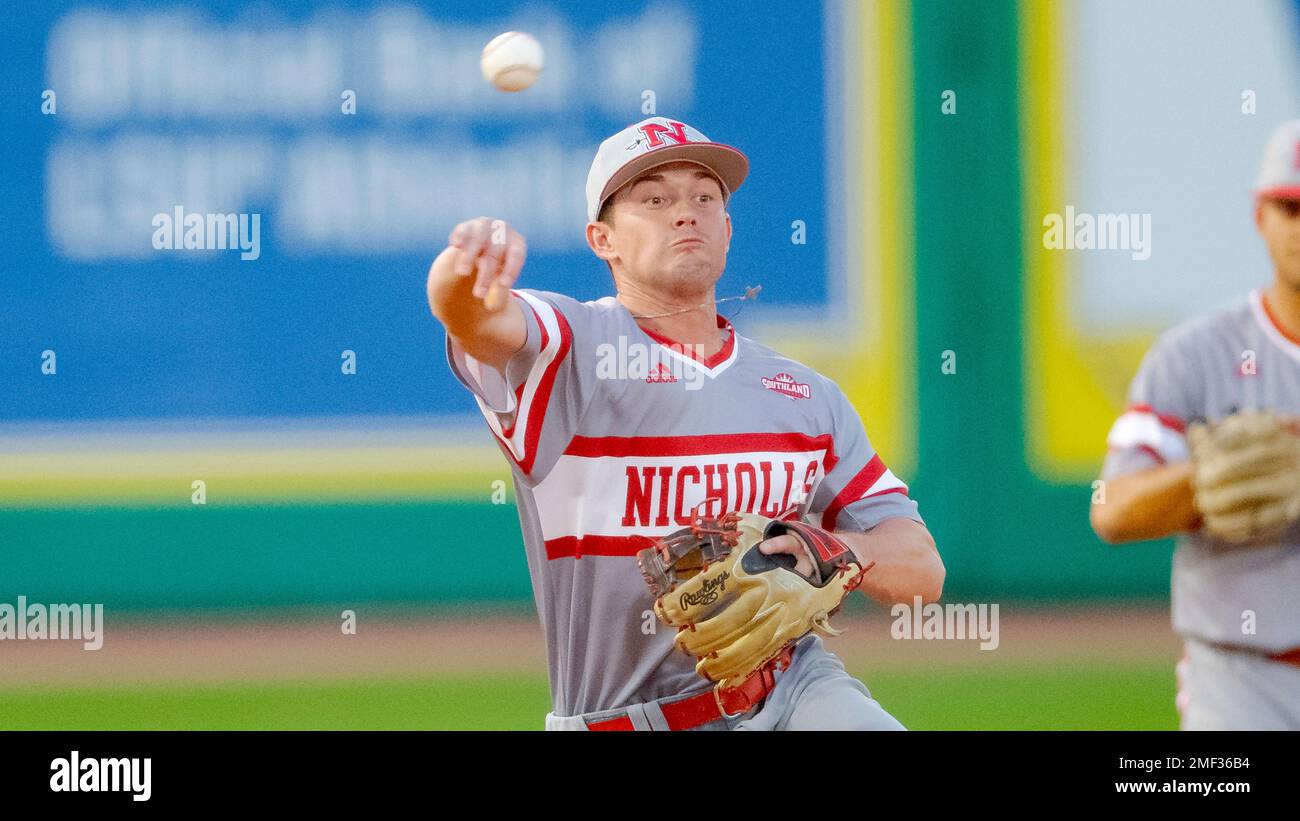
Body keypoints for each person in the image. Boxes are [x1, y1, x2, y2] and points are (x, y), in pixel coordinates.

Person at [426, 116, 944, 730]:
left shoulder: (805, 396)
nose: (685, 212)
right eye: (654, 199)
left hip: (797, 694)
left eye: (704, 197)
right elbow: (475, 319)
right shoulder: (569, 350)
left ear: (726, 230)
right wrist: (465, 268)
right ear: (602, 239)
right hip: (623, 716)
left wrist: (841, 549)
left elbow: (921, 569)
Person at [1091, 119, 1300, 730]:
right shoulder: (1197, 353)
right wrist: (1205, 481)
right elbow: (1112, 507)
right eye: (1290, 206)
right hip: (1242, 685)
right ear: (1259, 216)